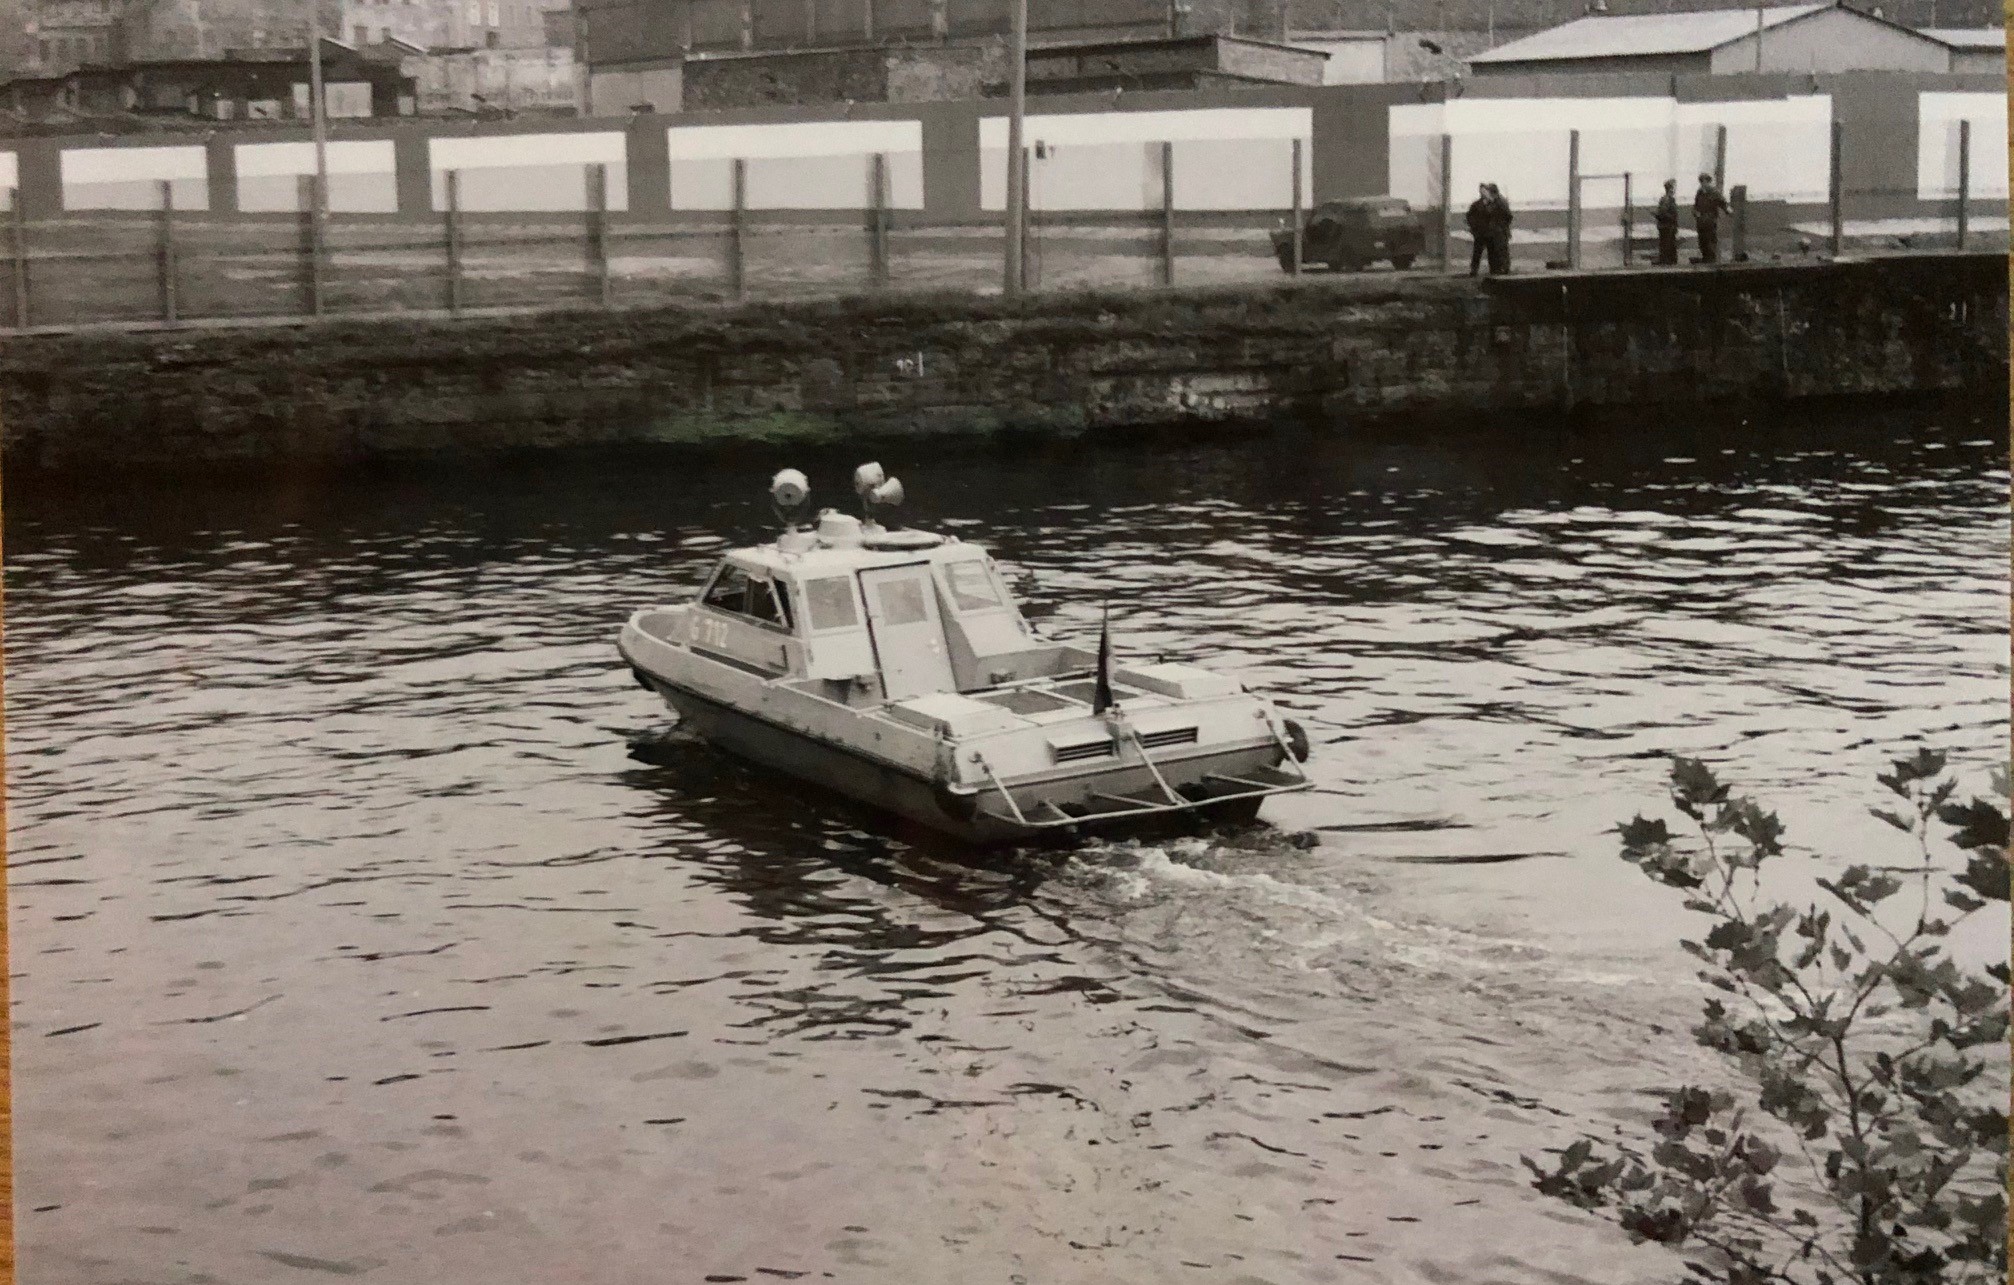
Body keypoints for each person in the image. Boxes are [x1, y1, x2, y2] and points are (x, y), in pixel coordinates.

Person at [1693, 172, 1729, 264]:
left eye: (1704, 181)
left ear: (1708, 182)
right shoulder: (1699, 193)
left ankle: (1711, 261)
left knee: (1710, 241)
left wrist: (1728, 211)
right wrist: (1695, 213)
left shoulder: (1714, 192)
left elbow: (1723, 203)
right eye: (1701, 182)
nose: (1702, 184)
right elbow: (1695, 206)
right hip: (1701, 221)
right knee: (1702, 241)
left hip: (1710, 220)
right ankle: (1705, 259)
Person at [1465, 184, 1493, 277]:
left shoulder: (1493, 204)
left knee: (1491, 252)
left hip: (1490, 233)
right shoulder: (1476, 205)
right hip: (1480, 233)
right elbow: (1469, 216)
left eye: (1484, 191)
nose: (1482, 193)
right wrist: (1473, 228)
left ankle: (1493, 270)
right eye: (1481, 191)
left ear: (1488, 191)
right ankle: (1474, 270)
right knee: (1477, 252)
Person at [1487, 184, 1514, 274]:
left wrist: (1502, 226)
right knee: (1497, 251)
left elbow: (1509, 216)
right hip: (1496, 231)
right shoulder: (1494, 201)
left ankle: (1504, 269)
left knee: (1501, 250)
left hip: (1500, 231)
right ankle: (1499, 269)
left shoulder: (1500, 202)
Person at [1654, 178, 1680, 266]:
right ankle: (1666, 260)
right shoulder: (1667, 199)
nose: (1674, 190)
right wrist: (1672, 219)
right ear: (1670, 189)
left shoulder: (1667, 199)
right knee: (1667, 243)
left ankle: (1669, 260)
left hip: (1667, 225)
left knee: (1668, 243)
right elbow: (1664, 213)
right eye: (1673, 188)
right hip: (1667, 225)